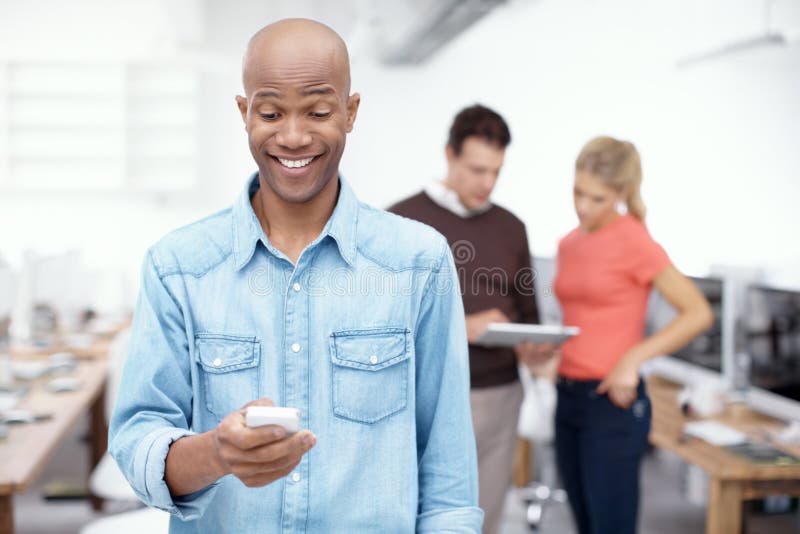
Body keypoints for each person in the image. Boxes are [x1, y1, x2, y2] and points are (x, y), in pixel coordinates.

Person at [108, 19, 482, 533]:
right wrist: (217, 452)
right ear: (244, 114)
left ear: (350, 112)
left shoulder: (419, 262)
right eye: (270, 112)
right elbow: (138, 441)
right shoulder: (178, 266)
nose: (292, 136)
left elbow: (449, 482)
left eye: (319, 111)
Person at [389, 104, 553, 534]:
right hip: (424, 397)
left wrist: (535, 348)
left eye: (496, 171)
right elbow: (381, 326)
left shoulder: (512, 228)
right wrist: (464, 328)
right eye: (477, 169)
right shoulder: (400, 222)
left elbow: (528, 314)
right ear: (450, 155)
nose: (488, 183)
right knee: (416, 517)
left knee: (483, 520)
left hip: (499, 397)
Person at [551, 136, 713, 534]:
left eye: (597, 198)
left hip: (612, 404)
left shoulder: (633, 240)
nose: (583, 207)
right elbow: (584, 317)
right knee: (584, 523)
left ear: (621, 193)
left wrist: (631, 359)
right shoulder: (569, 243)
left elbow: (697, 312)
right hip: (566, 396)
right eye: (578, 193)